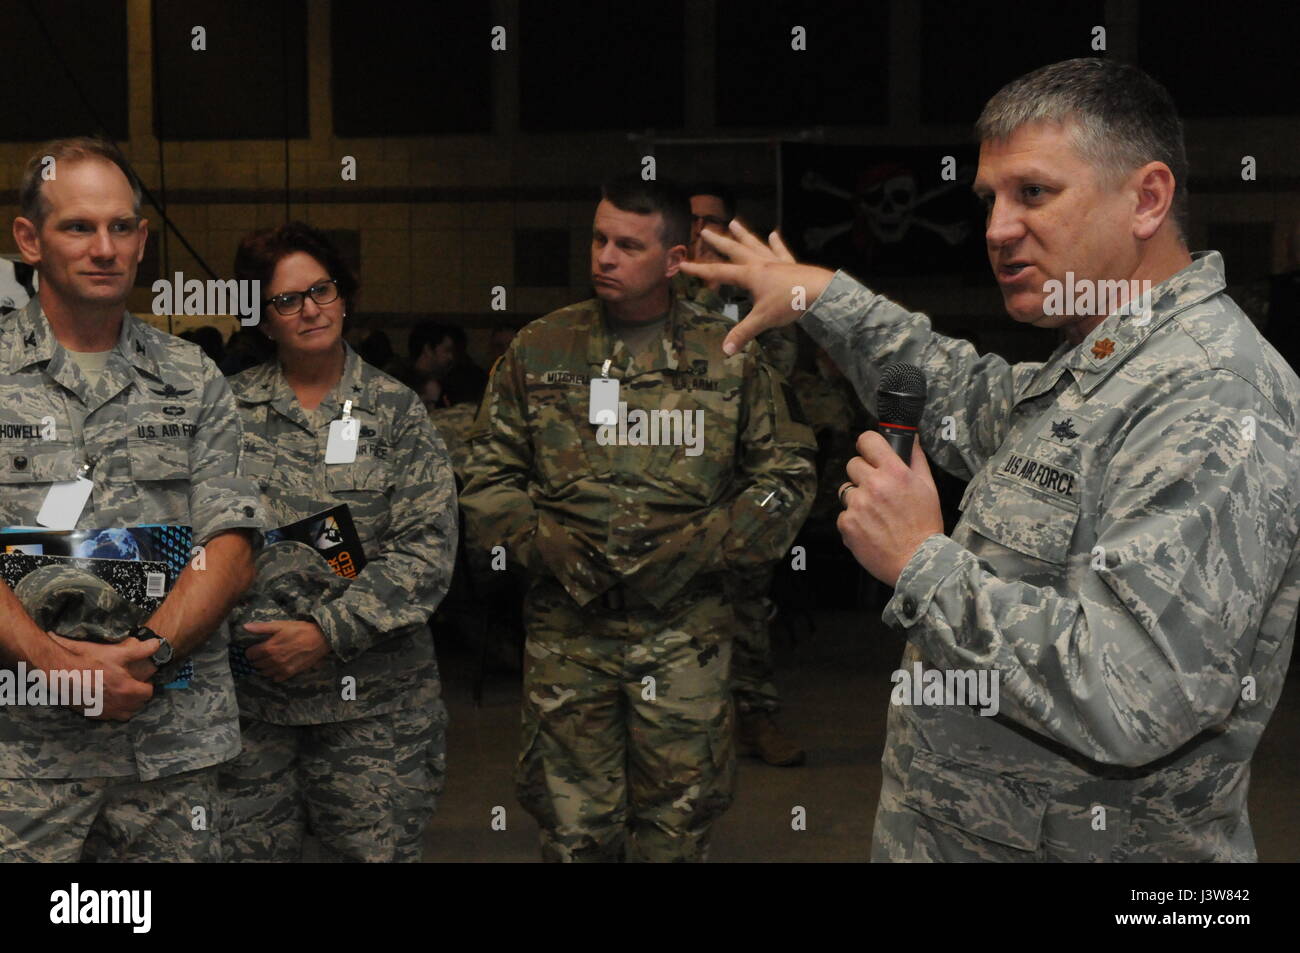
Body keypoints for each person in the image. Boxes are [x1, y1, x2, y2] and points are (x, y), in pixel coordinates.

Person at [682, 57, 1300, 862]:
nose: (998, 228)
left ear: (1147, 198)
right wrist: (820, 294)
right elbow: (961, 391)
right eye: (990, 200)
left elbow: (1138, 692)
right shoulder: (1101, 363)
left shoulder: (1212, 394)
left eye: (1034, 193)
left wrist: (920, 563)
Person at [461, 173, 816, 862]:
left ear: (676, 259)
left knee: (677, 831)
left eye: (628, 244)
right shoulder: (540, 350)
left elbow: (788, 475)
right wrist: (541, 542)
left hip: (686, 635)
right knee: (573, 834)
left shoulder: (732, 353)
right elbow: (486, 474)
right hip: (570, 636)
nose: (604, 257)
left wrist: (708, 546)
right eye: (598, 239)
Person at [0, 137, 264, 862]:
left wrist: (144, 654)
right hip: (22, 758)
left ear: (143, 241)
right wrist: (60, 667)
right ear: (29, 238)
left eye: (121, 227)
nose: (104, 247)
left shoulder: (192, 376)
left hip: (170, 750)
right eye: (78, 226)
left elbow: (232, 545)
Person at [218, 222, 457, 862]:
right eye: (286, 299)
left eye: (320, 290)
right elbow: (199, 542)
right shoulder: (226, 412)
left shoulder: (397, 411)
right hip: (253, 711)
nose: (311, 309)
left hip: (375, 713)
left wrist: (327, 631)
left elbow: (426, 551)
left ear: (343, 296)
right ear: (263, 320)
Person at [683, 184, 805, 766]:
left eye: (711, 221)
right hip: (675, 471)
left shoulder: (757, 292)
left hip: (744, 468)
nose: (698, 231)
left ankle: (758, 717)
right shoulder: (656, 291)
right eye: (691, 220)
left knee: (749, 599)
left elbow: (777, 367)